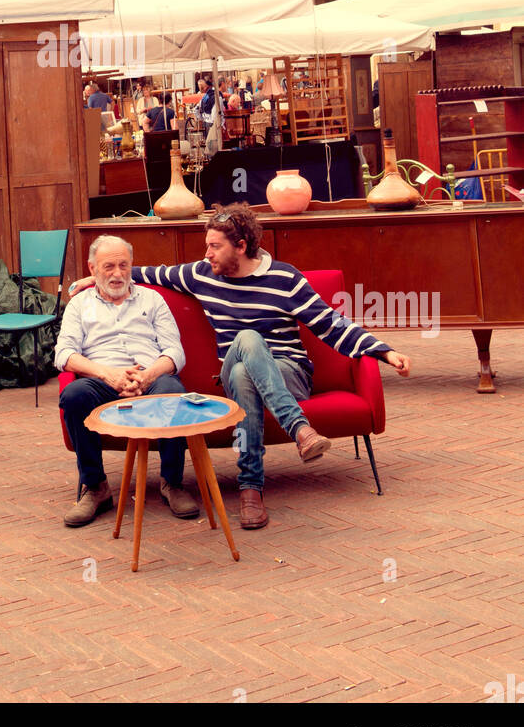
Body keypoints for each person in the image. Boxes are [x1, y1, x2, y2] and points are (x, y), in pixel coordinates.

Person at [76, 204, 411, 531]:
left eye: (214, 246)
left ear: (241, 246)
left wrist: (383, 351)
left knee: (243, 366)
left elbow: (331, 324)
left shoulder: (284, 279)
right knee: (245, 347)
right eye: (206, 245)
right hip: (233, 373)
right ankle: (299, 431)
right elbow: (148, 272)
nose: (206, 253)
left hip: (288, 372)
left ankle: (251, 488)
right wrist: (97, 278)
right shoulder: (201, 274)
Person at [55, 235, 199, 527]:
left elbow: (174, 352)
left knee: (173, 391)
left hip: (151, 377)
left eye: (124, 265)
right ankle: (95, 487)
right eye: (109, 266)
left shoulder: (152, 299)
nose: (118, 273)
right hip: (102, 379)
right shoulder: (79, 304)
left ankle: (172, 482)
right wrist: (108, 374)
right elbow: (64, 354)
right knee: (74, 395)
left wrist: (147, 375)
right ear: (92, 268)